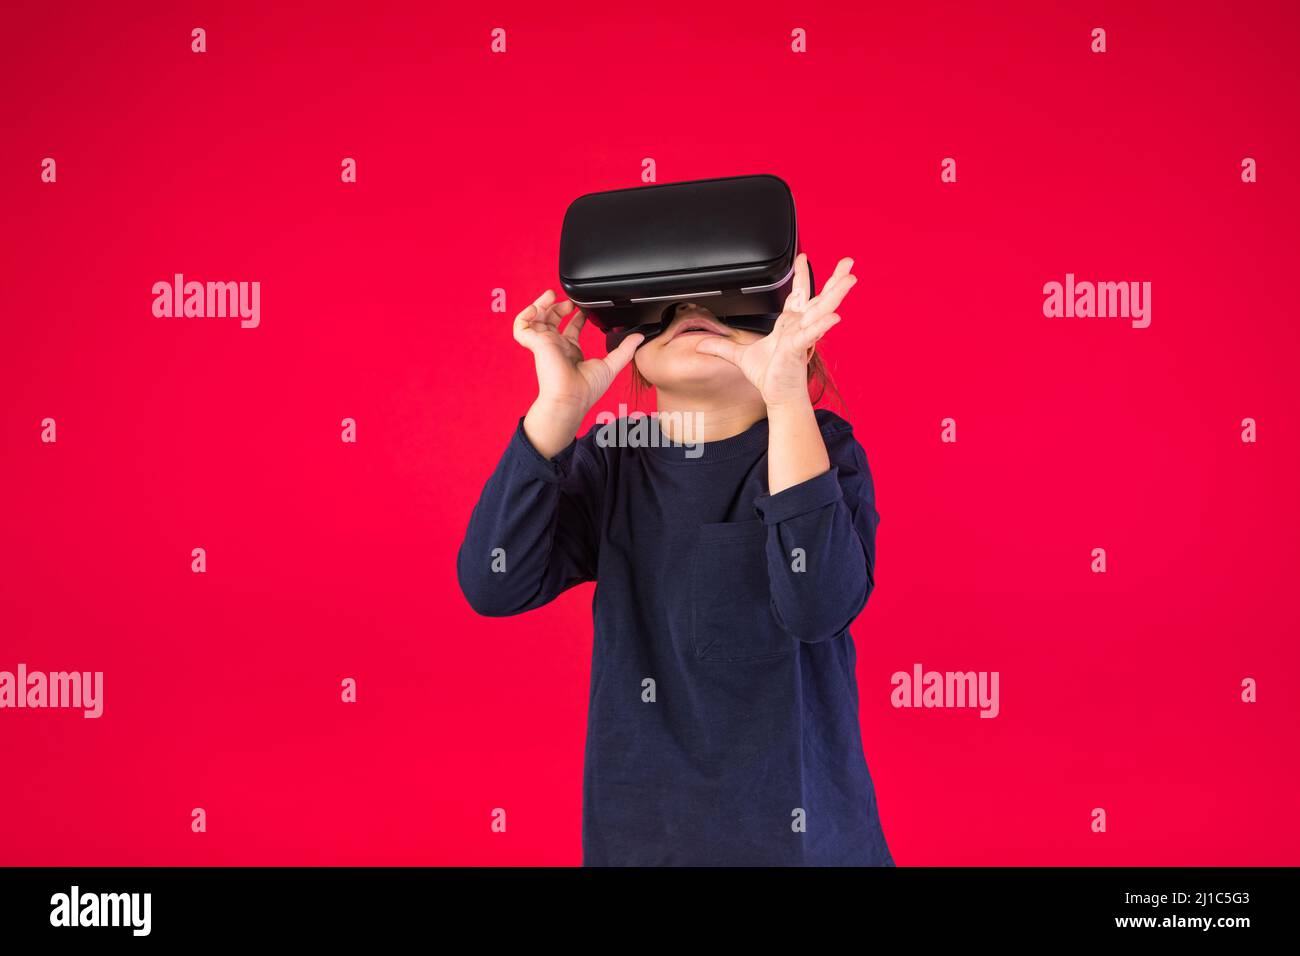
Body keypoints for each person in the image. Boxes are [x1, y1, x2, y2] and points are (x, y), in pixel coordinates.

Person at [457, 253, 893, 865]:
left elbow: (818, 606)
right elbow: (492, 583)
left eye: (723, 300)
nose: (692, 309)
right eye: (665, 304)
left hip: (804, 842)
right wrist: (559, 407)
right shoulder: (612, 463)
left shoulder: (822, 449)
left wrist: (786, 399)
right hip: (643, 841)